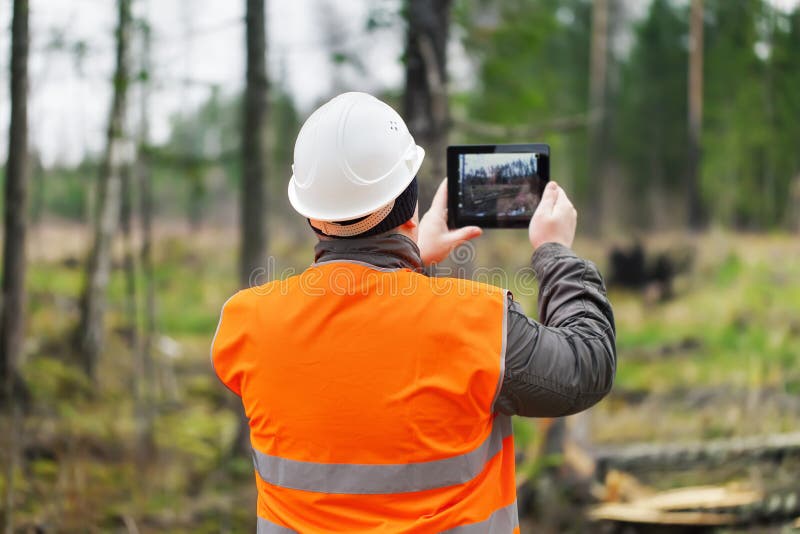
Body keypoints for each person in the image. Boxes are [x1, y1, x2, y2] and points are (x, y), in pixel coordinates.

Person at [211, 92, 616, 533]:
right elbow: (587, 364)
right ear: (410, 205)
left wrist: (407, 260)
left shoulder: (247, 324)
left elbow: (353, 343)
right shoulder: (476, 323)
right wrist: (555, 251)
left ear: (312, 215)